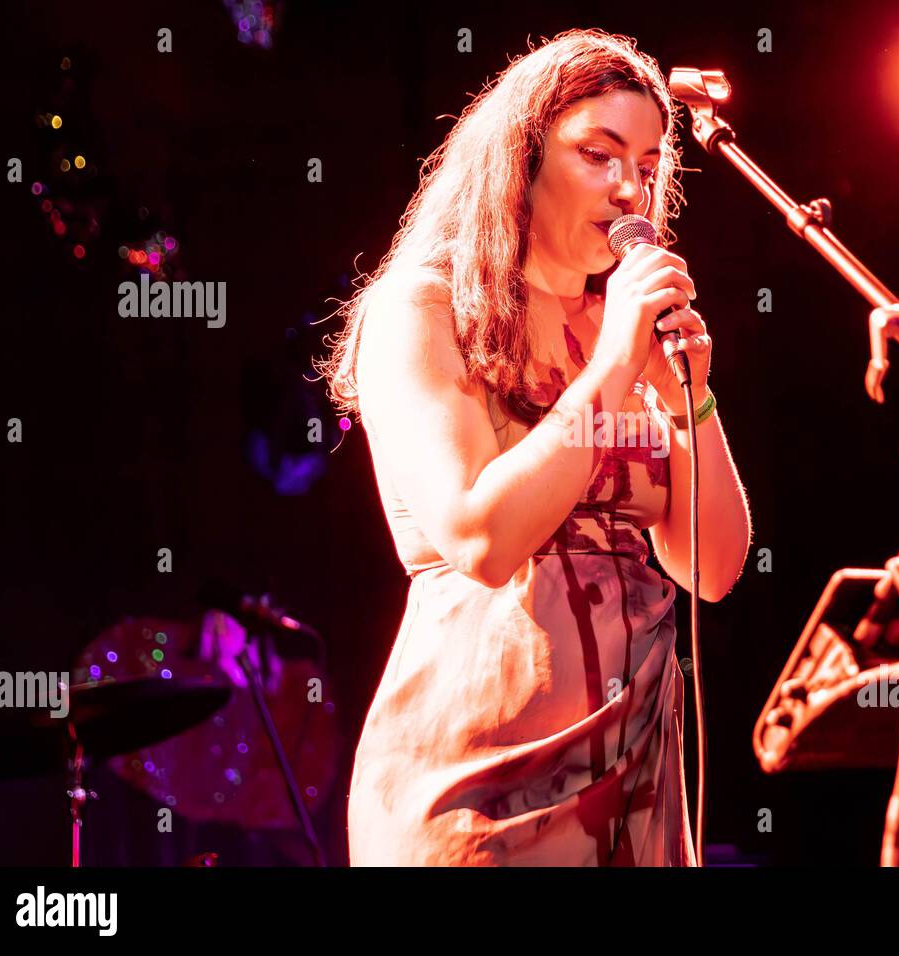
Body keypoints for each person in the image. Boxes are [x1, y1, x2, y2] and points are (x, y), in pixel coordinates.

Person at [317, 28, 751, 866]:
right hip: (481, 780)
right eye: (598, 153)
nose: (631, 186)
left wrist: (689, 396)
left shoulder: (626, 331)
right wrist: (618, 361)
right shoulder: (426, 310)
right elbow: (481, 537)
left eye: (651, 163)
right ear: (520, 159)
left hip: (634, 779)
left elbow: (715, 568)